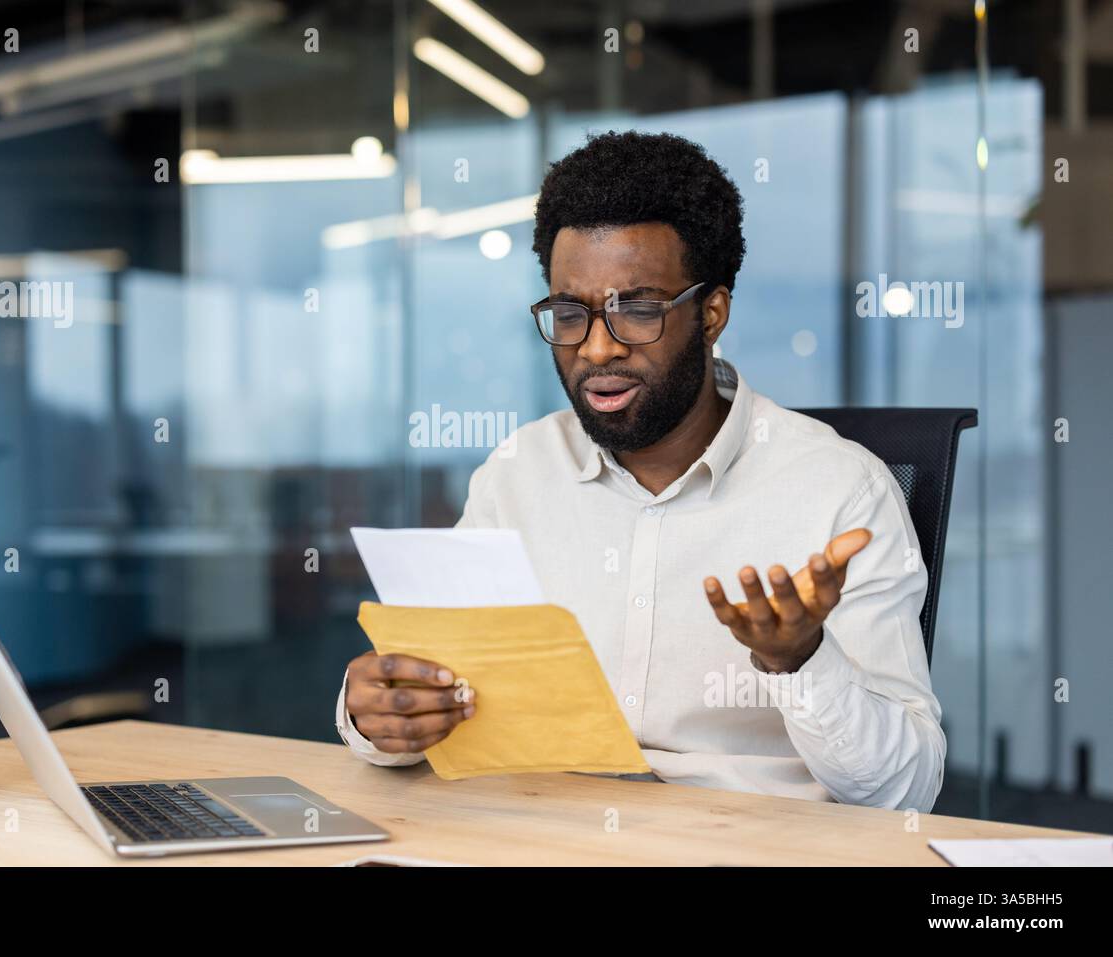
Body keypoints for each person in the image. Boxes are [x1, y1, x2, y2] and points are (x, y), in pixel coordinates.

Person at [336, 130, 944, 810]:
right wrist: (377, 714)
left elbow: (906, 789)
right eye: (571, 313)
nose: (597, 348)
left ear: (711, 313)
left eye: (639, 311)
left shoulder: (840, 492)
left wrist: (798, 658)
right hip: (538, 836)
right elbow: (425, 685)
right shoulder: (517, 475)